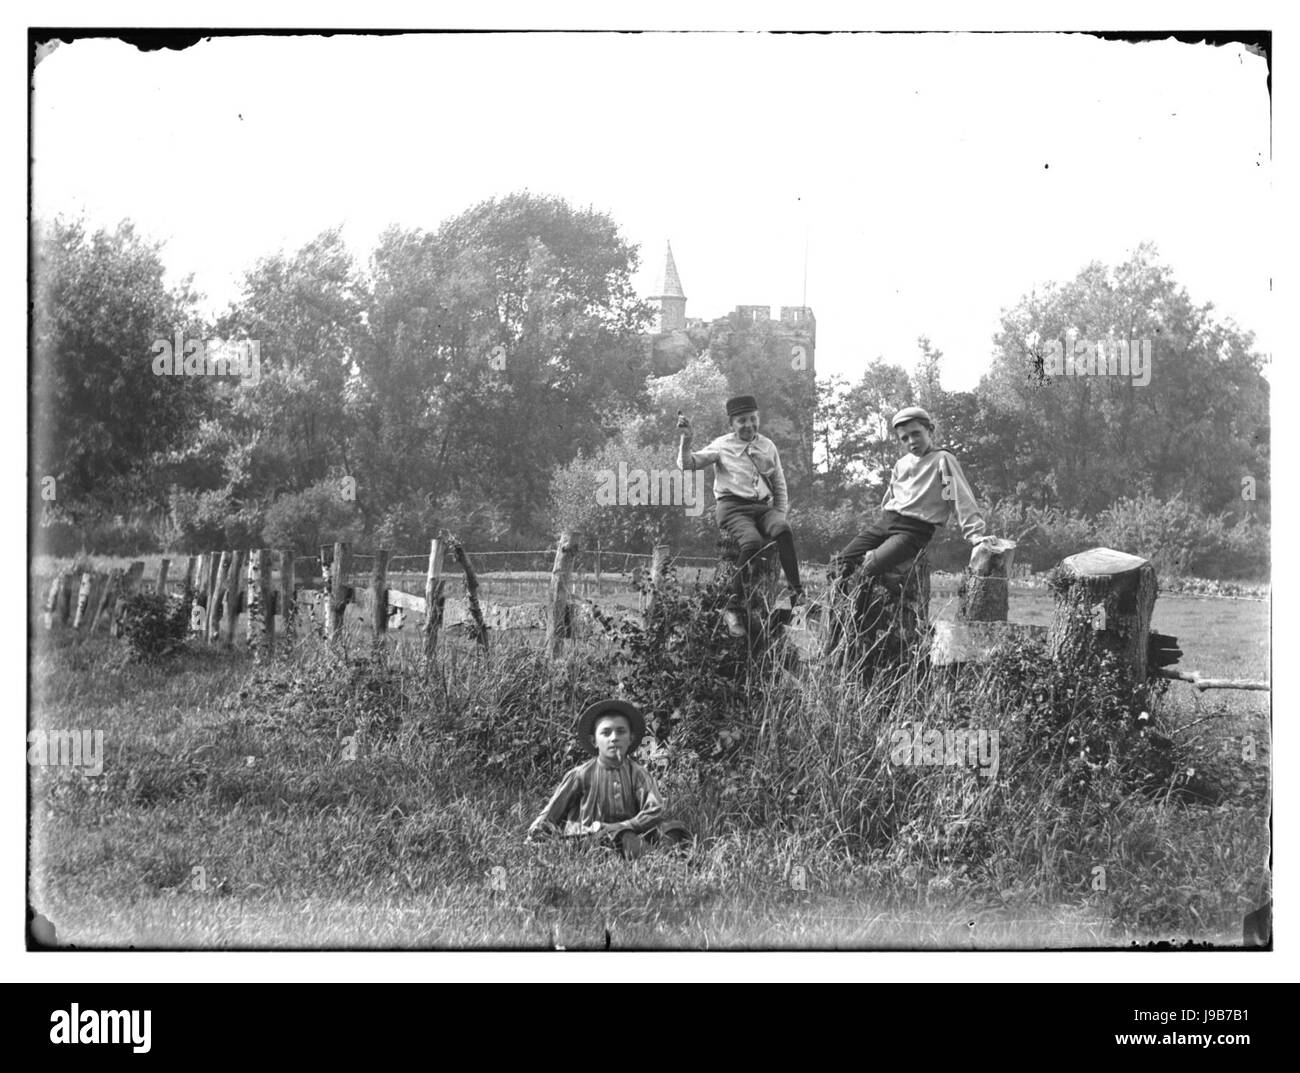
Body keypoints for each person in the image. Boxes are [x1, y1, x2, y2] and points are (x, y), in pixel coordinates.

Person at [825, 406, 992, 648]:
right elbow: (891, 496)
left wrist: (974, 532)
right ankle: (834, 631)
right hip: (886, 522)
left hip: (913, 531)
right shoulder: (902, 464)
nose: (911, 441)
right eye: (905, 438)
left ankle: (855, 633)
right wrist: (880, 528)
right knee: (838, 566)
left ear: (930, 430)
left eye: (916, 434)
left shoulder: (942, 461)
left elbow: (955, 496)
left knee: (868, 567)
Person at [677, 395, 804, 636]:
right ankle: (732, 607)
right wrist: (687, 439)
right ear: (732, 424)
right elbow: (687, 464)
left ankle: (797, 595)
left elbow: (779, 484)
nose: (748, 425)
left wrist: (778, 515)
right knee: (753, 542)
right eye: (742, 421)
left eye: (753, 419)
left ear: (759, 418)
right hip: (732, 507)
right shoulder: (722, 445)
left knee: (783, 530)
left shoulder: (768, 446)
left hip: (762, 508)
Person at [526, 700, 691, 859]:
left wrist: (626, 825)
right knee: (624, 836)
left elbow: (654, 810)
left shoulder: (638, 773)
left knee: (672, 827)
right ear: (594, 741)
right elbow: (552, 811)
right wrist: (535, 835)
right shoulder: (581, 775)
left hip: (632, 832)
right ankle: (657, 860)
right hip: (591, 838)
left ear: (631, 738)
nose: (614, 738)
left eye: (621, 731)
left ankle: (671, 856)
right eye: (606, 733)